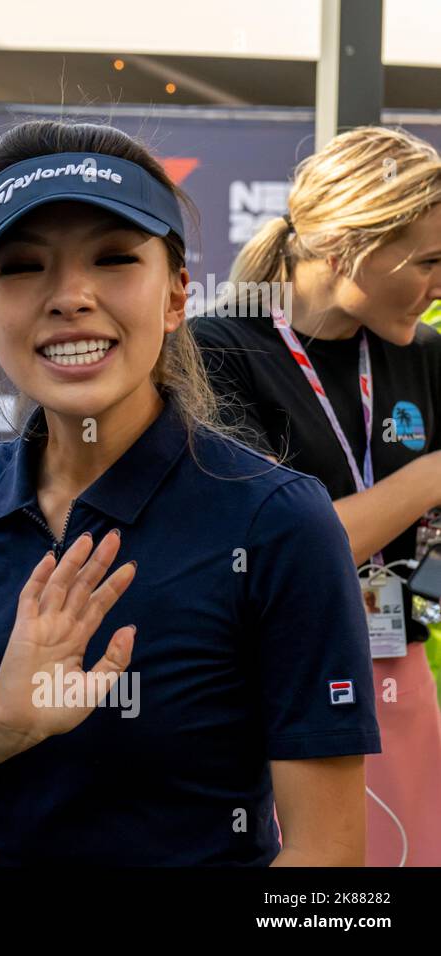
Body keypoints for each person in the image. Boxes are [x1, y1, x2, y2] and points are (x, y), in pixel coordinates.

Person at [0, 120, 380, 866]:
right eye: (22, 267)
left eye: (115, 258)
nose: (71, 296)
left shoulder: (277, 520)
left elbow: (329, 857)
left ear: (178, 294)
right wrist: (1, 727)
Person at [193, 125, 441, 866]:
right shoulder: (215, 351)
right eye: (429, 261)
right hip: (273, 677)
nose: (440, 284)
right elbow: (279, 551)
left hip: (398, 668)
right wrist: (426, 480)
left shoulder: (421, 353)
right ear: (346, 246)